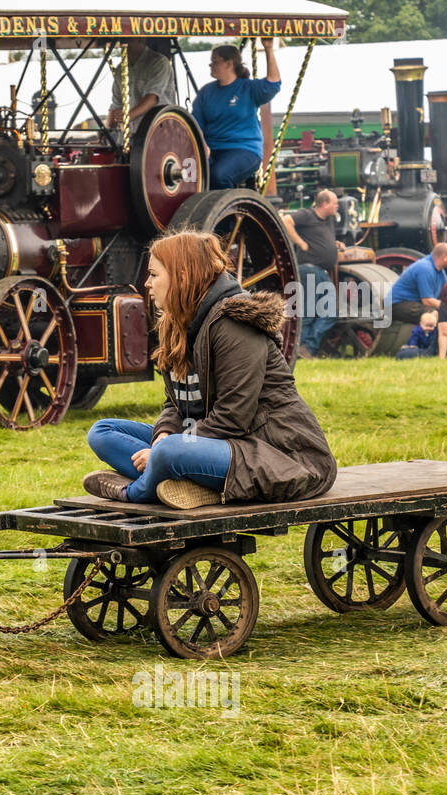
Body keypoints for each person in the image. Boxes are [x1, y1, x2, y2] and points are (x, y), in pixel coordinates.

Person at [83, 231, 336, 509]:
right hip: (211, 441)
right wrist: (163, 433)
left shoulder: (234, 324)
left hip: (279, 455)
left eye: (154, 275)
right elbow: (175, 401)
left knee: (169, 451)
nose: (147, 283)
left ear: (181, 276)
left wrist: (164, 448)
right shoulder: (177, 322)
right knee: (102, 431)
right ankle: (181, 481)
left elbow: (233, 418)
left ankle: (139, 491)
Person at [191, 39, 280, 189]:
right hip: (211, 149)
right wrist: (202, 144)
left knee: (219, 176)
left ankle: (225, 212)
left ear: (228, 64)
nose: (210, 66)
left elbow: (273, 83)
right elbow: (196, 123)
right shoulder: (206, 92)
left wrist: (269, 49)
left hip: (244, 149)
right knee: (189, 177)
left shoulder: (248, 88)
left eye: (214, 62)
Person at [280, 189, 346, 357]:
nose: (337, 206)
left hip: (321, 272)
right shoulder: (307, 215)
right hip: (309, 270)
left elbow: (321, 239)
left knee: (329, 313)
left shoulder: (328, 220)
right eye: (335, 203)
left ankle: (304, 348)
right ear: (323, 204)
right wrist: (301, 243)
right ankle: (303, 348)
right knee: (310, 314)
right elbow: (286, 220)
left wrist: (334, 244)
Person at [386, 243, 447, 350]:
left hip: (413, 303)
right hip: (396, 305)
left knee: (441, 311)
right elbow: (427, 301)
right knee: (432, 313)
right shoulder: (425, 268)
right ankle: (429, 347)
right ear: (445, 257)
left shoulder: (440, 272)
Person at [108, 38, 178, 133]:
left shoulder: (159, 62)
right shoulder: (121, 69)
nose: (122, 43)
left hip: (161, 133)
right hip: (134, 135)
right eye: (122, 40)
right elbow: (116, 105)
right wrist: (107, 129)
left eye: (127, 39)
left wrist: (127, 116)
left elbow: (152, 98)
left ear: (141, 39)